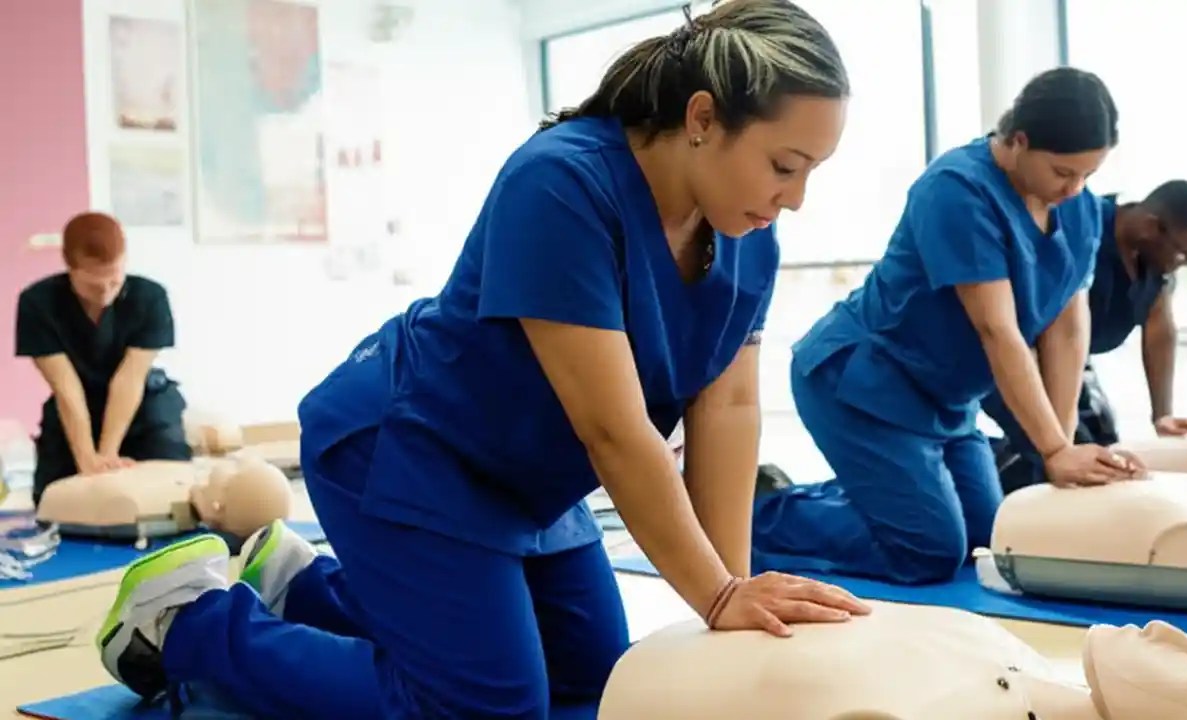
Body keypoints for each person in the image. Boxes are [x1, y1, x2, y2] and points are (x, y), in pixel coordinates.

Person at [95, 3, 869, 719]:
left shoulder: (747, 237)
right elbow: (614, 431)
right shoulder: (563, 181)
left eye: (811, 172)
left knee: (595, 686)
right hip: (409, 447)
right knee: (487, 709)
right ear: (704, 119)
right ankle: (189, 620)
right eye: (784, 165)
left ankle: (303, 589)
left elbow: (725, 410)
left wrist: (733, 607)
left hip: (529, 482)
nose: (794, 198)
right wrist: (718, 593)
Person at [752, 67, 1146, 586]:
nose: (1074, 190)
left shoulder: (1079, 210)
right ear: (1018, 141)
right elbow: (998, 331)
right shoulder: (957, 189)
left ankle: (873, 490)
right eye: (1062, 172)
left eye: (1086, 177)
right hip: (862, 382)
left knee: (988, 538)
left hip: (946, 398)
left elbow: (1069, 329)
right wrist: (1052, 451)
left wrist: (1065, 438)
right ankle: (757, 511)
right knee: (930, 552)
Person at [984, 181, 1187, 493]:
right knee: (1062, 456)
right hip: (1013, 356)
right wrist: (1056, 446)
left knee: (1105, 455)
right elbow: (1042, 325)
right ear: (1152, 227)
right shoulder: (1084, 229)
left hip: (1072, 364)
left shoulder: (1153, 266)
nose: (1184, 262)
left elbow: (1159, 332)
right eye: (1182, 252)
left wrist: (1162, 415)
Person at [15, 212, 190, 506]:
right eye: (95, 285)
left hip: (142, 404)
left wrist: (107, 456)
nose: (106, 293)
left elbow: (129, 379)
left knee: (172, 491)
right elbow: (66, 388)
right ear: (71, 269)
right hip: (75, 407)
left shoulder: (150, 297)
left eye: (114, 281)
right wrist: (87, 460)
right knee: (53, 499)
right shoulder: (38, 303)